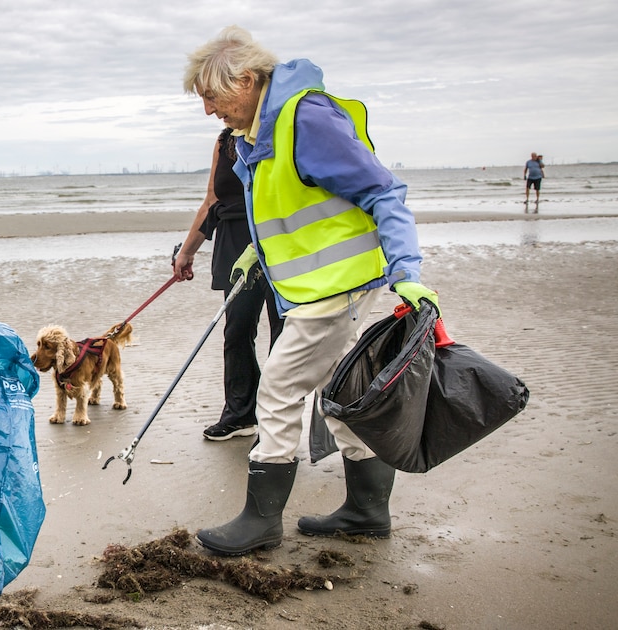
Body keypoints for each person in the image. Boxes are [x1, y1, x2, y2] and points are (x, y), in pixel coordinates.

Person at [181, 25, 440, 556]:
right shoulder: (261, 128)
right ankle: (367, 510)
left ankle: (261, 520)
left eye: (211, 96)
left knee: (276, 391)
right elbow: (282, 203)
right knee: (340, 389)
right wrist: (258, 249)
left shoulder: (305, 118)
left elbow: (384, 191)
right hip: (317, 283)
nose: (208, 110)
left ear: (247, 80)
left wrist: (406, 271)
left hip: (336, 284)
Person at [172, 126, 283, 441]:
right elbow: (212, 198)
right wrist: (187, 251)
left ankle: (277, 422)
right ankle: (240, 415)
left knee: (284, 335)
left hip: (279, 241)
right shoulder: (225, 141)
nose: (213, 109)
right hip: (234, 242)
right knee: (236, 333)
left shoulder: (280, 128)